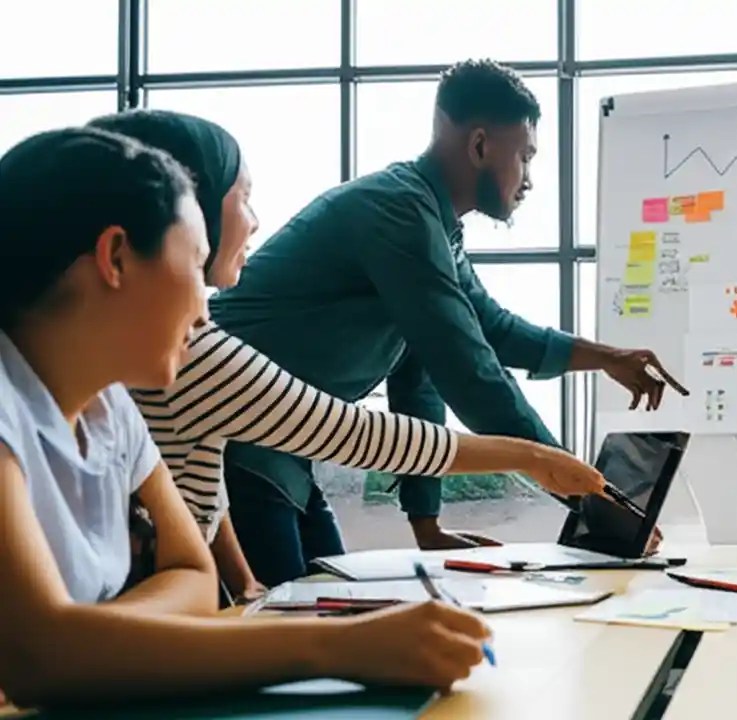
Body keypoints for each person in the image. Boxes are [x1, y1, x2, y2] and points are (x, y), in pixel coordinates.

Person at [0, 127, 488, 707]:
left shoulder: (109, 409)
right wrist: (337, 646)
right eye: (195, 260)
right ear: (116, 257)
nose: (206, 309)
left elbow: (194, 579)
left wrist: (89, 637)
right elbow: (40, 657)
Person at [87, 110, 608, 601]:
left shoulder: (156, 362)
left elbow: (200, 476)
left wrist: (244, 590)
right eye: (241, 198)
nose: (256, 221)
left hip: (274, 459)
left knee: (331, 601)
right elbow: (358, 432)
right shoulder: (188, 356)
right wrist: (535, 458)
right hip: (265, 457)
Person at [206, 58, 685, 582]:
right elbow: (470, 370)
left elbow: (475, 341)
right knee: (294, 625)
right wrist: (592, 498)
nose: (528, 179)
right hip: (234, 438)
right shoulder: (398, 213)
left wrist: (606, 358)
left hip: (286, 448)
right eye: (524, 157)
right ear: (480, 146)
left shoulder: (435, 226)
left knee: (329, 608)